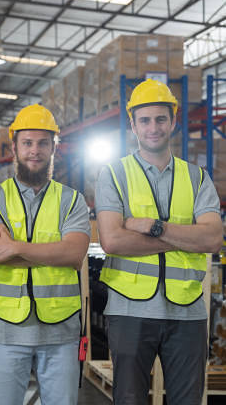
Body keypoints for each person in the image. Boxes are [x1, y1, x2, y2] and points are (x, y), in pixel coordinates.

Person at [96, 79, 222, 404]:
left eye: (161, 119)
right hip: (129, 308)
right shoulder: (113, 174)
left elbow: (212, 237)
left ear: (174, 121)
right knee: (130, 399)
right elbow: (112, 240)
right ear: (133, 125)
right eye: (145, 120)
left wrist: (152, 227)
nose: (154, 127)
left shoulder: (197, 177)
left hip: (188, 311)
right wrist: (184, 237)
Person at [0, 104, 90, 405]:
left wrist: (17, 247)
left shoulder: (72, 200)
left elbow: (74, 254)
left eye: (43, 143)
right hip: (7, 326)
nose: (35, 150)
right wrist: (53, 250)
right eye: (27, 143)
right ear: (14, 147)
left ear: (55, 147)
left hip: (60, 328)